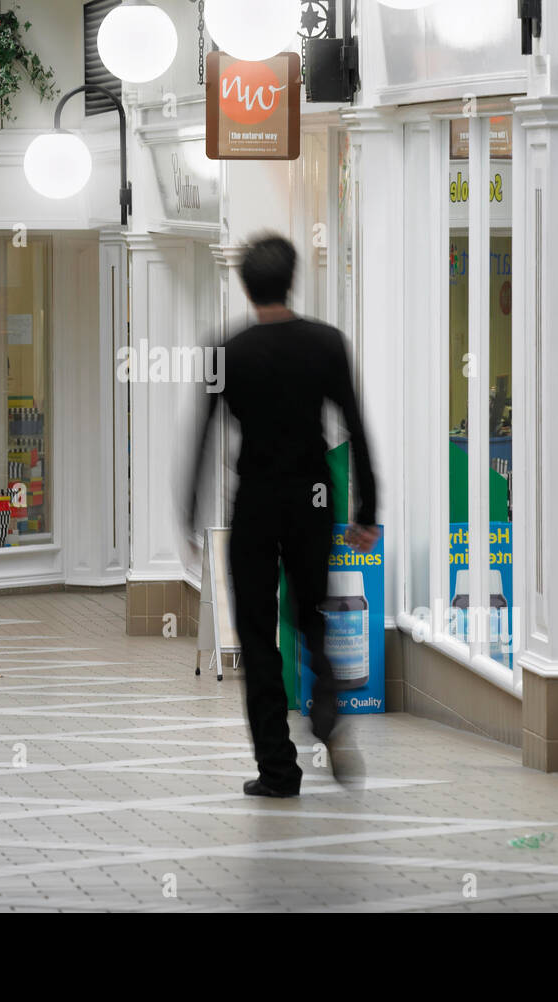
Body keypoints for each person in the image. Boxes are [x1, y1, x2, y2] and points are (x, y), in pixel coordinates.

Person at [185, 234, 379, 797]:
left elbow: (202, 438)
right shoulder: (327, 343)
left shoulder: (228, 351)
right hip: (314, 497)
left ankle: (278, 768)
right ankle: (326, 711)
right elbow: (356, 426)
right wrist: (367, 508)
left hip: (256, 500)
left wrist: (185, 512)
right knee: (312, 611)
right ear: (292, 279)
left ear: (245, 286)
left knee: (256, 630)